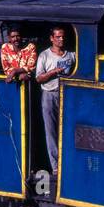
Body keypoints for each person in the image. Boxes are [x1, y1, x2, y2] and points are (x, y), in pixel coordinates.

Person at [35, 27, 75, 175]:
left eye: (63, 37)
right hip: (49, 94)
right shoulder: (44, 55)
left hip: (67, 95)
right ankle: (56, 166)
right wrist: (53, 72)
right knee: (51, 131)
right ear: (52, 38)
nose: (61, 40)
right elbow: (38, 78)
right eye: (58, 37)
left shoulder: (71, 55)